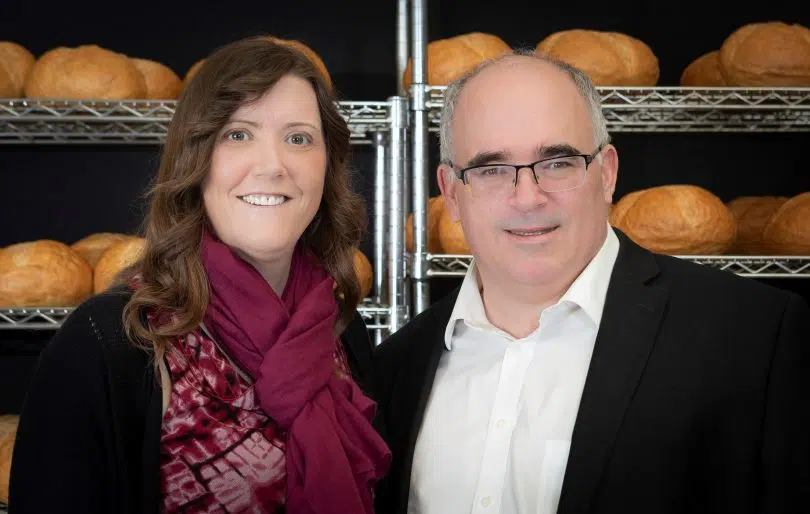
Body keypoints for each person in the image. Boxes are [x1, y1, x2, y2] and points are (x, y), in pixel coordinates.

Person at [373, 48, 810, 514]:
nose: (528, 198)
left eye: (558, 162)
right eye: (491, 169)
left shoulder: (754, 338)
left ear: (607, 174)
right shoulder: (394, 370)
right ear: (451, 193)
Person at [9, 36, 391, 514]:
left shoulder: (342, 330)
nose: (272, 166)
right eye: (238, 134)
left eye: (298, 138)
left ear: (327, 165)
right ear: (195, 157)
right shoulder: (109, 344)